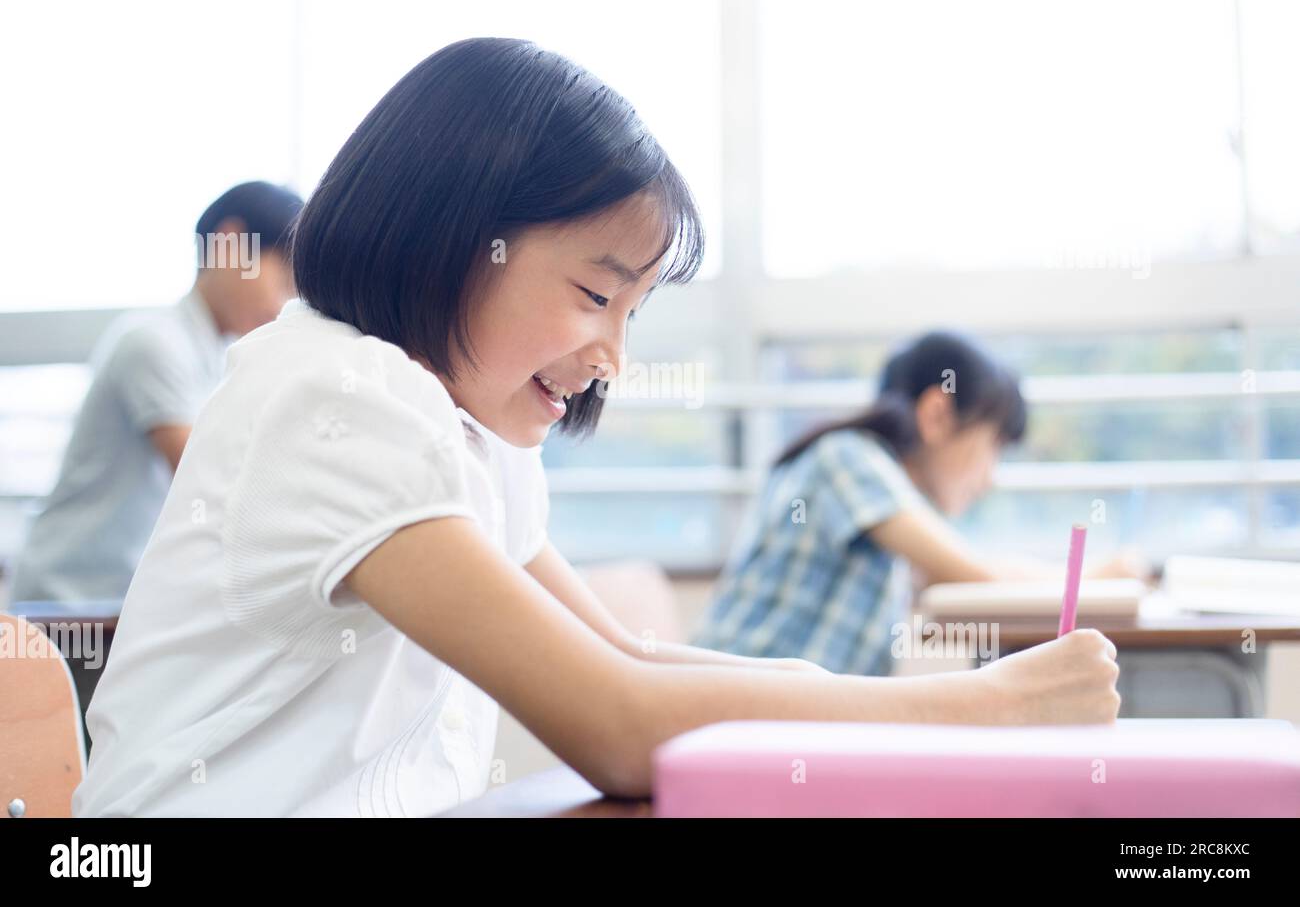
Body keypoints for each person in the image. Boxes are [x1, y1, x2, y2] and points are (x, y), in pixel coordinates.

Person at [73, 40, 1120, 817]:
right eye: (594, 293)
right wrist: (985, 708)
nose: (612, 356)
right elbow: (614, 721)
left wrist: (868, 697)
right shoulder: (340, 397)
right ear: (449, 236)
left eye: (633, 312)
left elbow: (627, 653)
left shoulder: (472, 432)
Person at [692, 331, 1146, 675]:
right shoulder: (847, 459)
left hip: (777, 718)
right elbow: (975, 572)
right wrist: (1096, 577)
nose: (990, 477)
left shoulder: (883, 501)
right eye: (993, 446)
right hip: (736, 710)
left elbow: (964, 574)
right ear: (936, 415)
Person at [10, 182, 302, 606]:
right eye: (284, 280)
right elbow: (208, 477)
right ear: (230, 244)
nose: (282, 305)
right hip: (69, 600)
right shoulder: (154, 342)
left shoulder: (216, 356)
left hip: (118, 598)